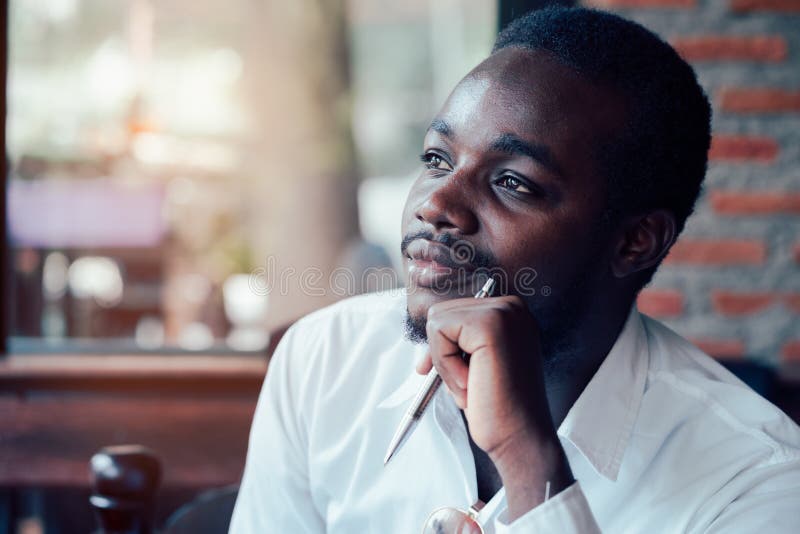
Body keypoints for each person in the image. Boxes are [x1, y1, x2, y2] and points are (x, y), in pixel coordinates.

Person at [229, 6, 800, 533]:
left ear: (634, 242)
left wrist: (530, 462)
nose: (434, 205)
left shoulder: (755, 481)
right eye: (437, 159)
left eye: (512, 182)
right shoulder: (325, 360)